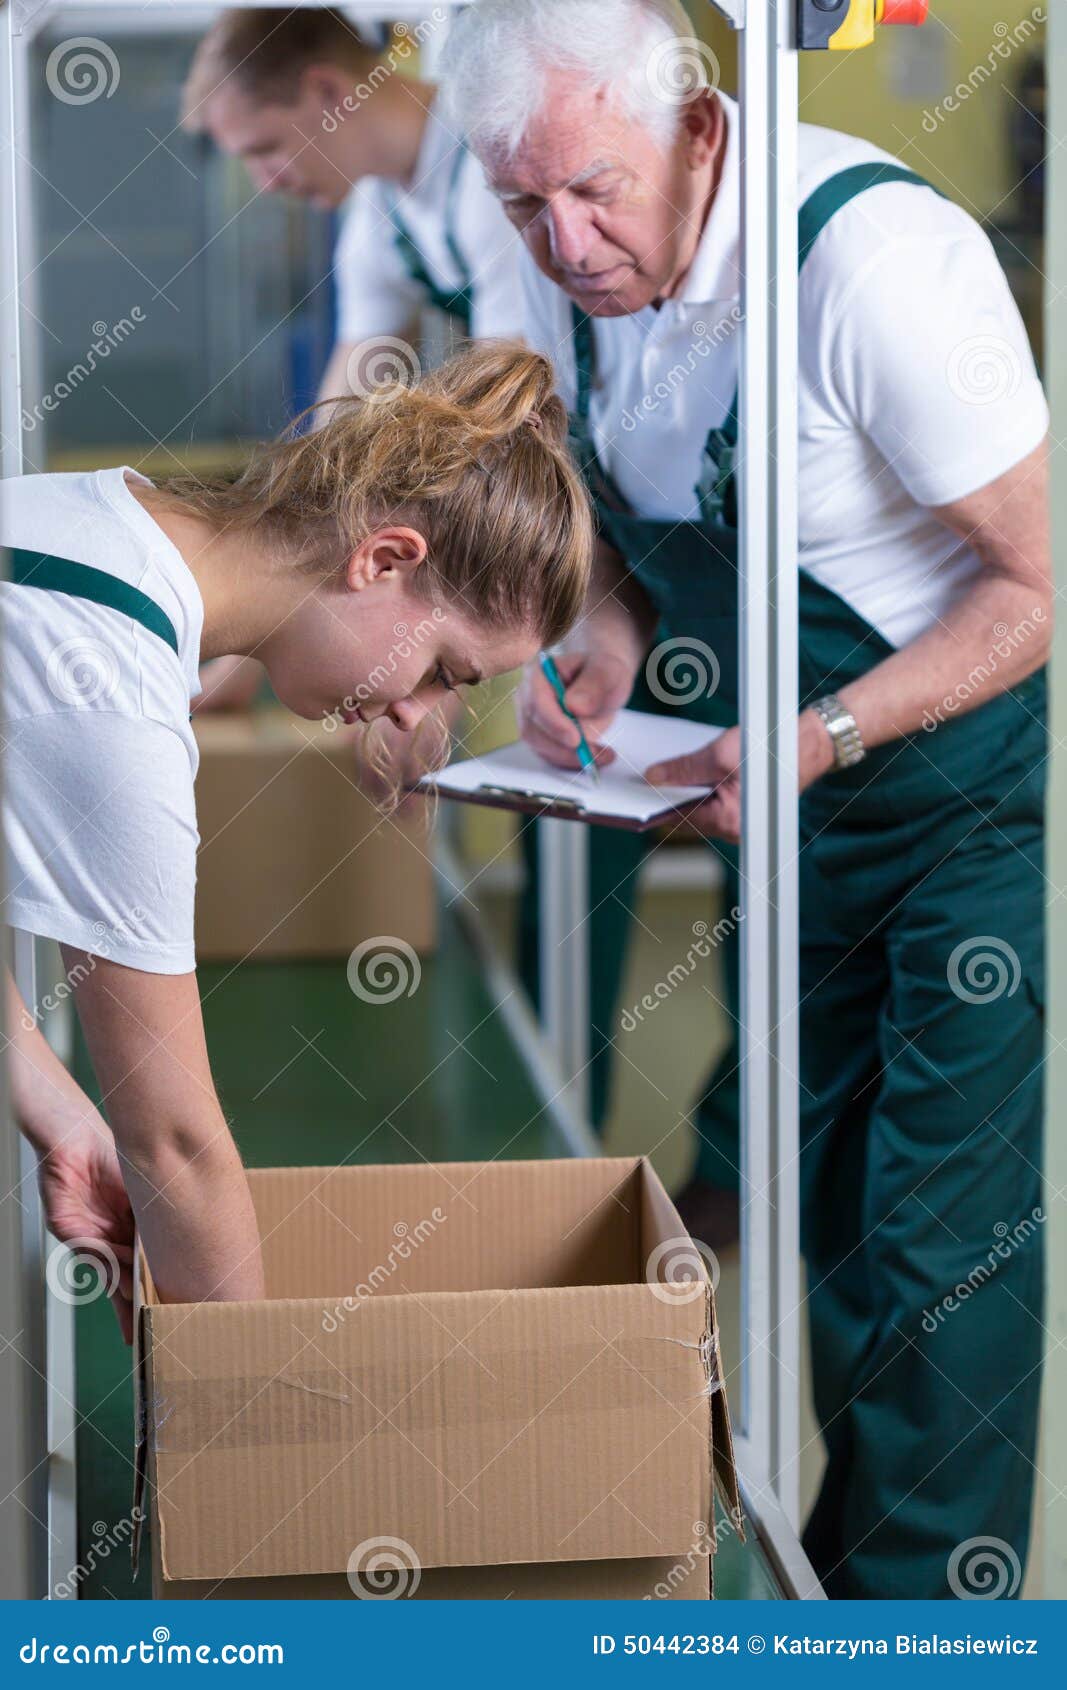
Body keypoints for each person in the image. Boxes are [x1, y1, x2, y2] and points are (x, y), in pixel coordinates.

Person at [442, 0, 1051, 1599]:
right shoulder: (559, 249)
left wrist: (818, 734)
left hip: (942, 806)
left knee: (933, 1233)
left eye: (591, 190)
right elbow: (627, 520)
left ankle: (925, 1618)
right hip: (769, 810)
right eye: (521, 206)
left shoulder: (869, 266)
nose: (562, 241)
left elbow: (1032, 588)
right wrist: (598, 640)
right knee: (814, 1208)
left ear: (700, 129)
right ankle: (833, 1572)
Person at [2, 343, 593, 1341]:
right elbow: (177, 1145)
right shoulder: (111, 692)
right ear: (383, 558)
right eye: (444, 670)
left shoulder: (104, 520)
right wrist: (262, 1431)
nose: (417, 717)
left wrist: (57, 1109)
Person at [182, 7, 526, 719]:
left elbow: (500, 424)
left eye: (267, 146)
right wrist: (249, 632)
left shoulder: (497, 161)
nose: (266, 181)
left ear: (330, 92)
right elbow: (337, 437)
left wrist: (424, 662)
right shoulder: (381, 213)